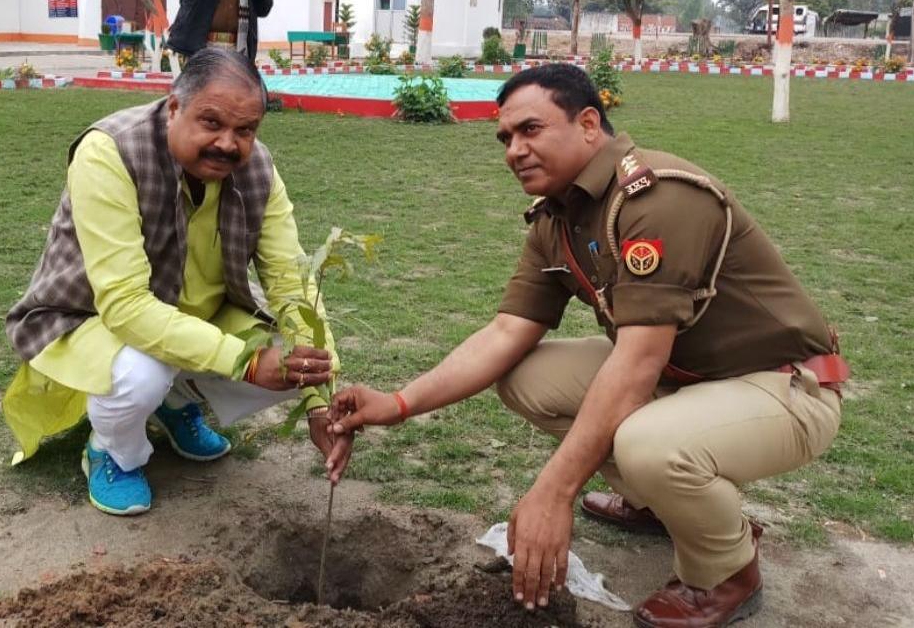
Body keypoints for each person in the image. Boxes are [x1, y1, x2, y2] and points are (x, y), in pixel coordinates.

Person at [325, 63, 848, 627]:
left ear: (589, 124)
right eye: (505, 138)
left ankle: (727, 572)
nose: (514, 150)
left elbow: (638, 361)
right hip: (685, 374)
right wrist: (398, 403)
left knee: (650, 445)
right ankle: (659, 505)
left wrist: (554, 493)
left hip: (783, 385)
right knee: (526, 377)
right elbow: (506, 333)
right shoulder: (558, 216)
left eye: (530, 129)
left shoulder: (656, 198)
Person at [2, 48, 350, 517]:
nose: (228, 144)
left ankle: (174, 402)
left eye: (245, 130)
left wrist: (318, 403)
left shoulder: (258, 169)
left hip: (197, 315)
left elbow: (292, 284)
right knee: (140, 374)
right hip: (90, 319)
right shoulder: (111, 152)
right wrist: (247, 362)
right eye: (211, 122)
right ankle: (113, 451)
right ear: (173, 108)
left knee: (301, 360)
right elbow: (125, 305)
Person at [167, 0, 273, 65]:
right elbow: (187, 3)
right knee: (200, 92)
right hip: (203, 47)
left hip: (239, 48)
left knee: (235, 93)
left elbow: (263, 9)